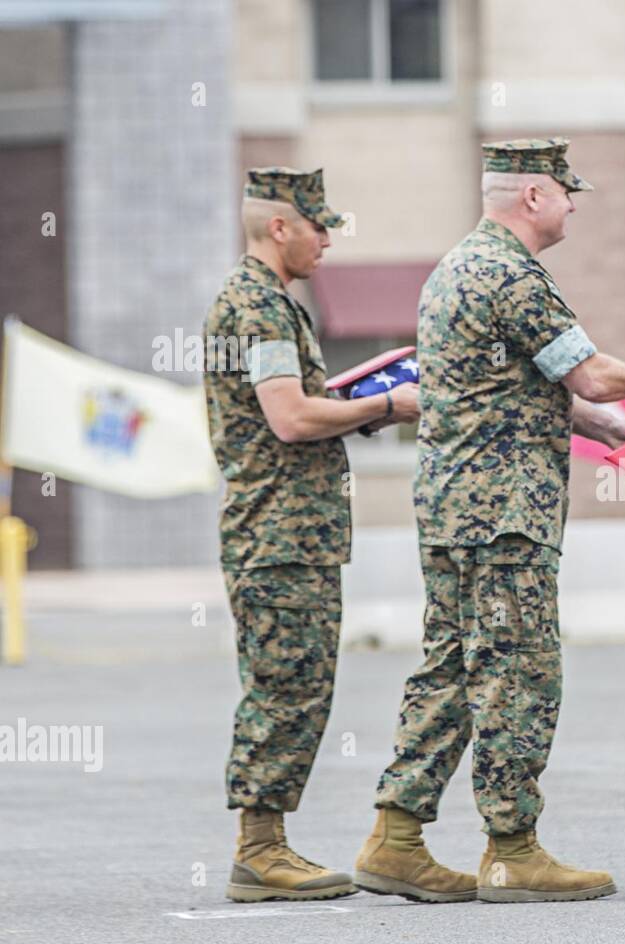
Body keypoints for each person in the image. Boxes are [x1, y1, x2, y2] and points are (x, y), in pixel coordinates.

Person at [353, 138, 625, 904]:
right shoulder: (514, 274)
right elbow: (591, 370)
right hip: (507, 516)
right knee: (518, 672)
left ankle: (396, 835)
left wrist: (598, 425)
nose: (574, 204)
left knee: (452, 666)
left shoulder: (454, 270)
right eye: (568, 192)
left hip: (451, 508)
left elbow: (505, 384)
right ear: (533, 196)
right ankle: (512, 847)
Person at [203, 167, 420, 902]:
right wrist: (388, 402)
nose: (328, 238)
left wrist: (365, 405)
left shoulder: (265, 304)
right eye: (319, 225)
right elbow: (290, 418)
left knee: (295, 685)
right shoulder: (261, 309)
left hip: (286, 531)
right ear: (279, 227)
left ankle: (266, 842)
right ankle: (259, 849)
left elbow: (296, 405)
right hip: (279, 533)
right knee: (285, 687)